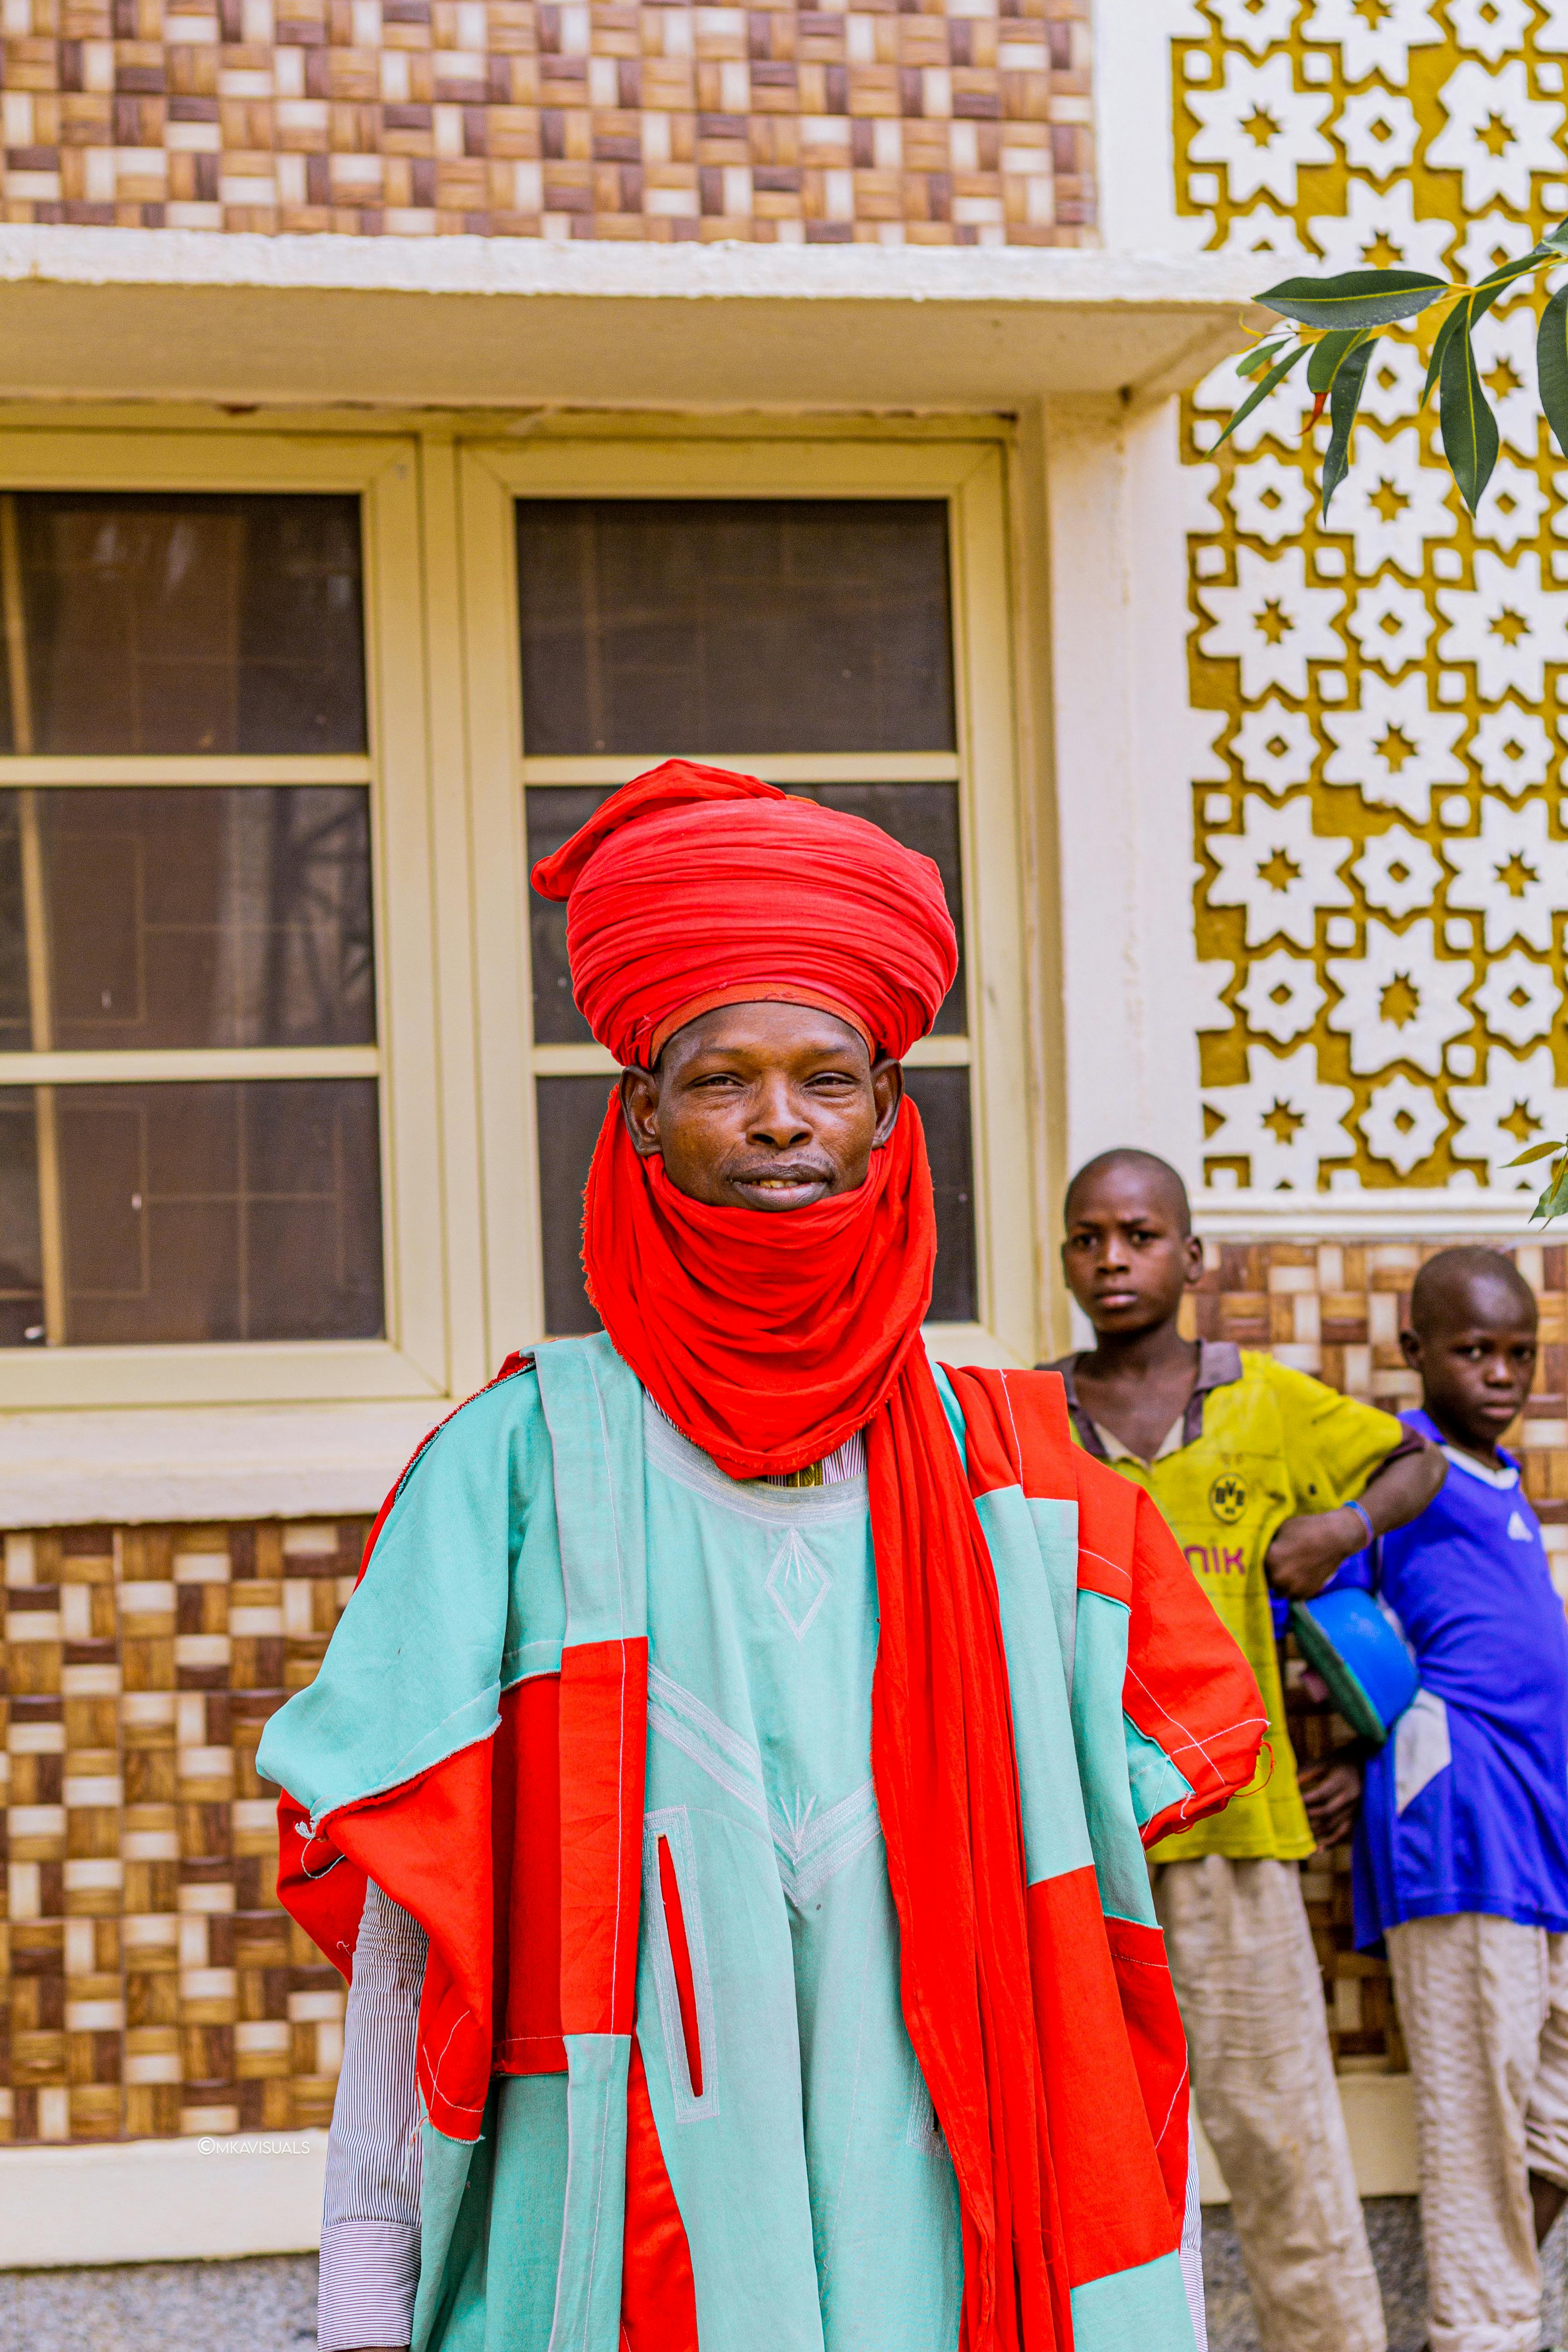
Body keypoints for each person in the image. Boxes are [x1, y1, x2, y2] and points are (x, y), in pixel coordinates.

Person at [257, 764, 1266, 2352]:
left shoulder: (1024, 1486)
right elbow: (408, 1928)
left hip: (953, 2235)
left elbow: (1102, 1959)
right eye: (723, 1077)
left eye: (826, 1078)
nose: (781, 1119)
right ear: (642, 1111)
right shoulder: (515, 1471)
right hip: (611, 2241)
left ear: (887, 1110)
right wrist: (366, 2293)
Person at [1051, 1148, 1445, 2352]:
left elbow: (1416, 1460)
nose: (1113, 1261)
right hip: (1074, 1844)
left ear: (1191, 1255)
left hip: (1236, 1830)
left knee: (1284, 2147)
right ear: (1064, 1259)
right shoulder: (1029, 1420)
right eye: (1088, 1239)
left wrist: (1340, 1528)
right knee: (1091, 2159)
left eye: (1139, 1236)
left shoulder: (1262, 1402)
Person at [1341, 1245, 1568, 2352]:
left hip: (1541, 1843)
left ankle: (1489, 2320)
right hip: (1462, 1832)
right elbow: (1319, 1605)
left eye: (1521, 1354)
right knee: (1478, 2128)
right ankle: (1481, 2332)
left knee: (1549, 2124)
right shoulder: (1405, 1469)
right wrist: (1352, 1740)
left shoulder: (1499, 1477)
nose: (1502, 1375)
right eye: (1475, 1351)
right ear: (1415, 1351)